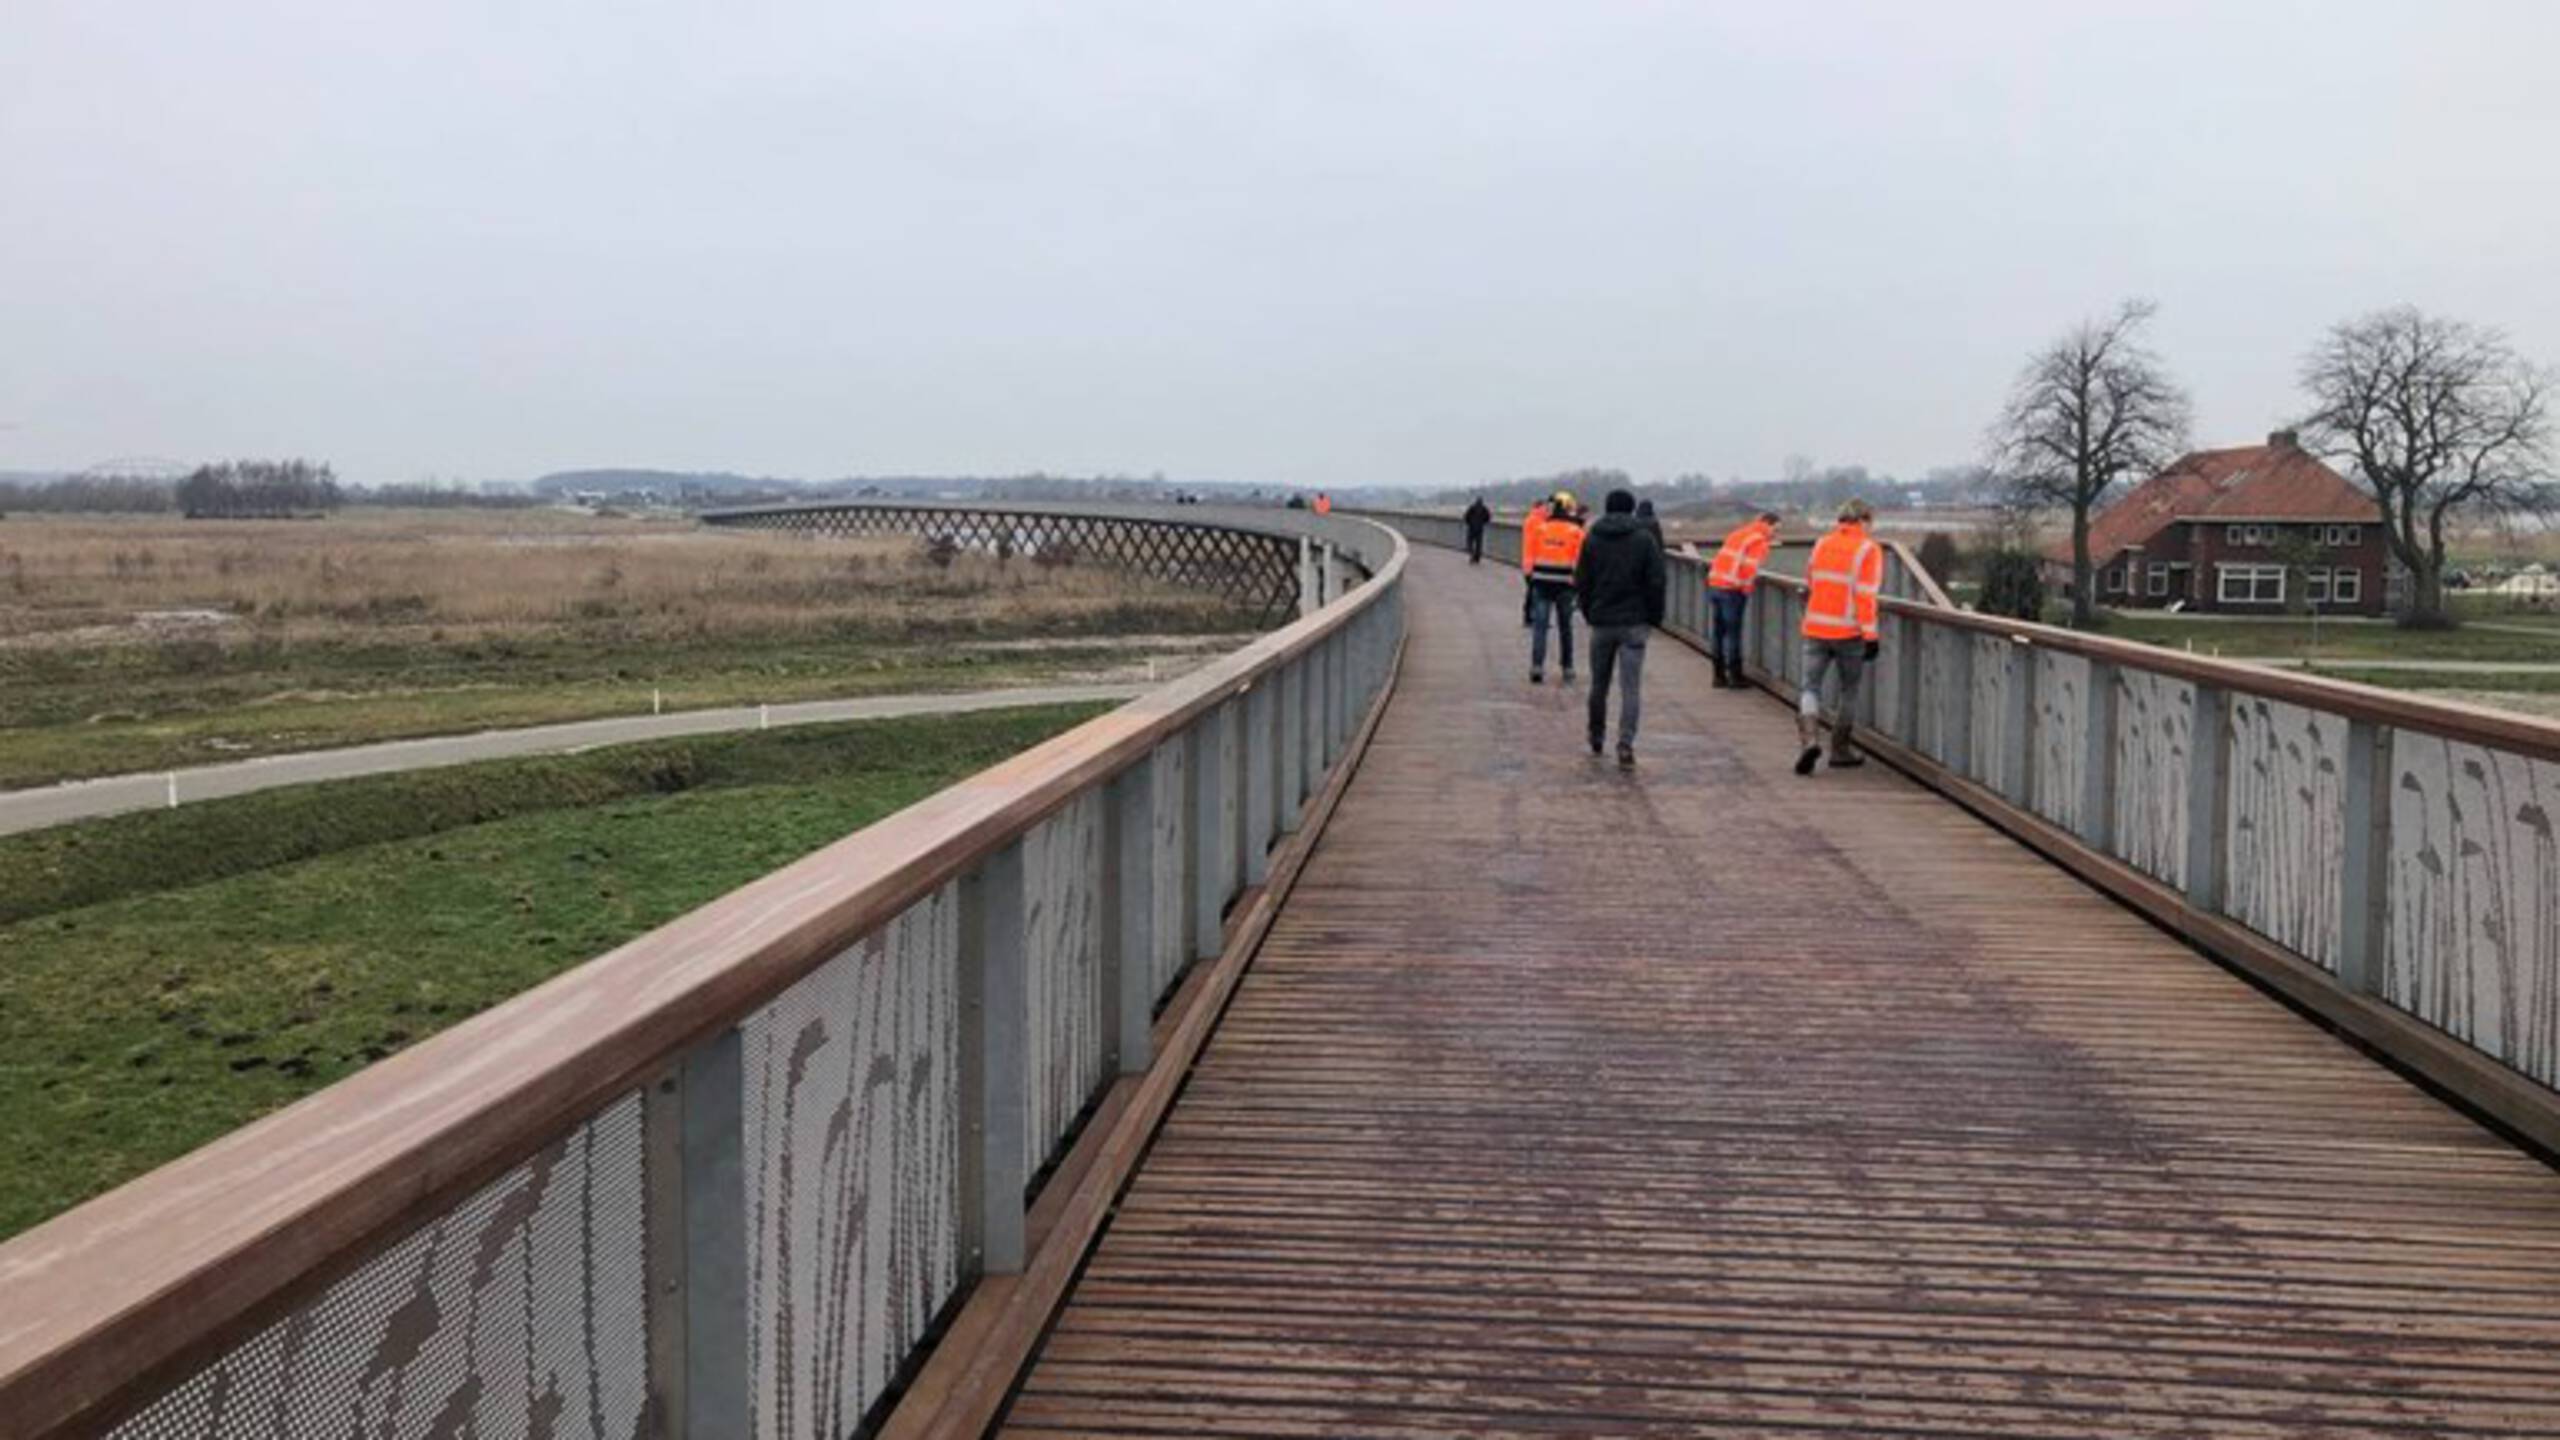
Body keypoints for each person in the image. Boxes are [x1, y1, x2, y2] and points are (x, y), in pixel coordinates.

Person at [1575, 489, 1667, 768]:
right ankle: (1625, 744)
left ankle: (1596, 734)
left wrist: (1590, 611)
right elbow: (1656, 581)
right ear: (1631, 509)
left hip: (1602, 621)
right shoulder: (1644, 540)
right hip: (1635, 622)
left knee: (1598, 684)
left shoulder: (1592, 537)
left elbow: (1582, 580)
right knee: (1631, 688)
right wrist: (1654, 617)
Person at [1796, 499, 1885, 776]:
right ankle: (1840, 749)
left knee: (1810, 687)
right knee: (1849, 690)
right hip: (1849, 631)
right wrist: (1871, 635)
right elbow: (1865, 595)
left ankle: (1809, 740)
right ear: (1865, 520)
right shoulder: (1868, 549)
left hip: (1816, 628)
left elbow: (1810, 583)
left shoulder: (1821, 544)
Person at [1705, 509, 1781, 688]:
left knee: (1718, 632)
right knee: (1733, 634)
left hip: (1715, 583)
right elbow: (1749, 568)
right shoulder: (1759, 541)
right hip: (1732, 589)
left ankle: (1718, 675)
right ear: (1767, 524)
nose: (1775, 534)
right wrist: (1747, 589)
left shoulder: (1738, 533)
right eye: (1776, 529)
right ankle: (1735, 677)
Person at [1524, 494, 1584, 684]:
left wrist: (1530, 578)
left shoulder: (1540, 529)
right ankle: (1567, 667)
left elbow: (1528, 556)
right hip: (1565, 585)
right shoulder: (1576, 532)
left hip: (1541, 583)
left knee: (1540, 628)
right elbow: (1580, 563)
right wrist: (1577, 585)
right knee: (1565, 628)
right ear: (1568, 511)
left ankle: (1537, 666)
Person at [1463, 496, 1492, 564]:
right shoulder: (1484, 509)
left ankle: (1471, 554)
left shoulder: (1472, 508)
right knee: (1479, 544)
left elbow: (1466, 516)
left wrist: (1469, 523)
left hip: (1471, 528)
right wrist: (1483, 523)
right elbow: (1488, 517)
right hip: (1480, 528)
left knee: (1470, 542)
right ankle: (1477, 558)